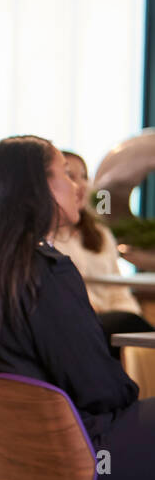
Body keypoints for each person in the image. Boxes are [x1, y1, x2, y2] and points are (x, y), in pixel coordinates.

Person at [0, 136, 155, 480]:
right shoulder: (47, 272)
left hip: (14, 473)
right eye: (65, 175)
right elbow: (102, 389)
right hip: (85, 464)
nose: (79, 189)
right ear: (37, 189)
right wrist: (131, 393)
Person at [52, 150, 154, 357]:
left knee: (132, 329)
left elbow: (119, 291)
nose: (79, 185)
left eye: (84, 177)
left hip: (111, 320)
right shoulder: (44, 237)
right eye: (70, 176)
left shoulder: (101, 234)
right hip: (76, 322)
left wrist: (127, 313)